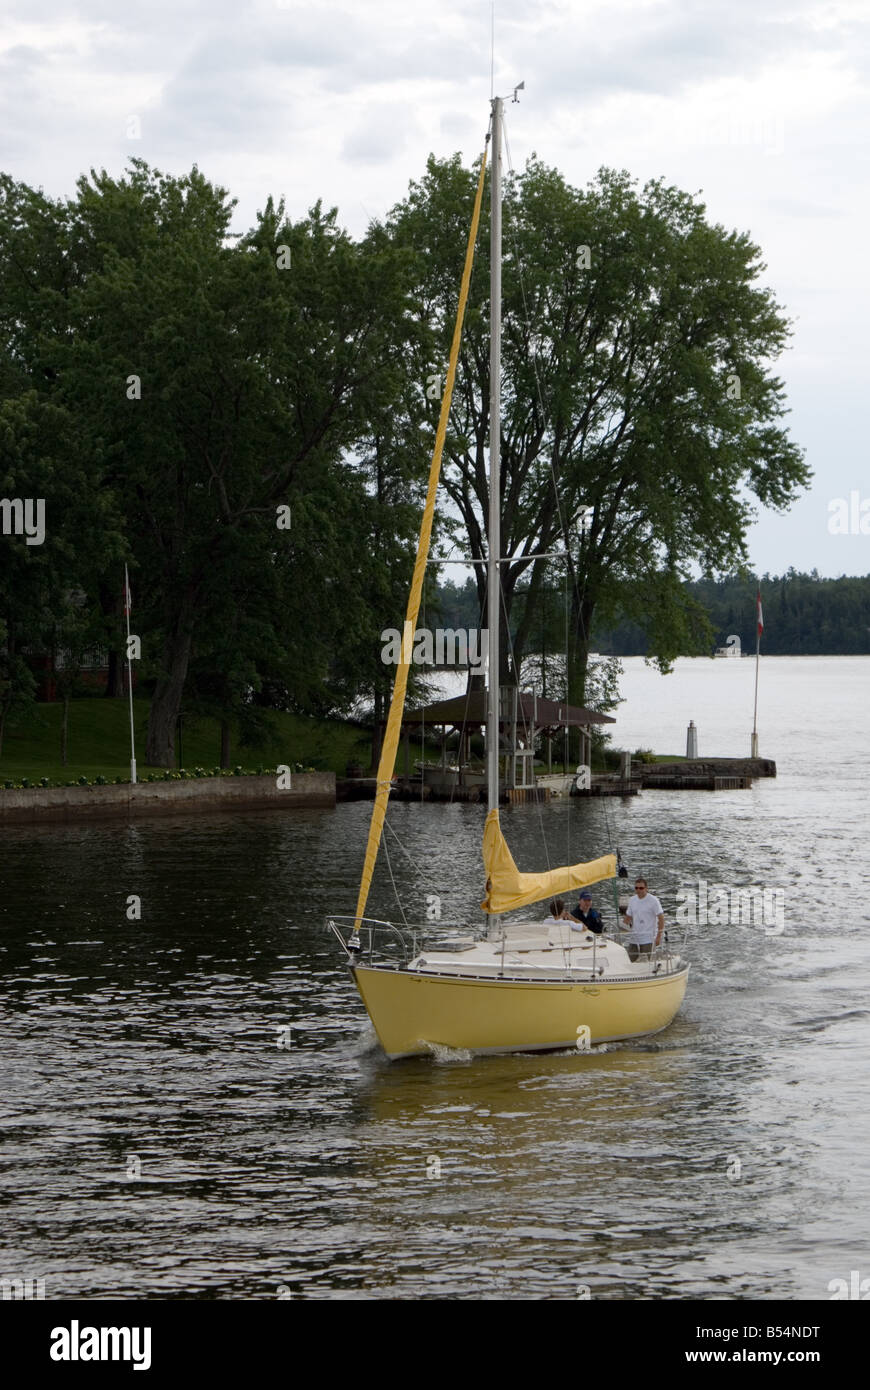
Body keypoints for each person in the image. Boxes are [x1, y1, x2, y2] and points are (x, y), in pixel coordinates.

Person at [622, 877, 664, 962]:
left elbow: (661, 918)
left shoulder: (653, 900)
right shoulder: (632, 900)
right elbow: (628, 918)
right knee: (629, 961)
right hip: (634, 937)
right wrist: (619, 928)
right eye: (636, 888)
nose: (638, 890)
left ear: (646, 888)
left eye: (641, 888)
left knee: (646, 963)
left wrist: (659, 936)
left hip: (648, 938)